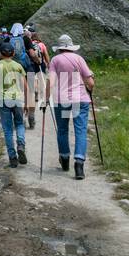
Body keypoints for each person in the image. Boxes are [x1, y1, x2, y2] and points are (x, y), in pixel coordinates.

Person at [47, 35, 95, 180]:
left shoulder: (55, 60)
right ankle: (79, 164)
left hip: (61, 100)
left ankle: (65, 159)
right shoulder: (79, 59)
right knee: (80, 131)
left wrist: (45, 99)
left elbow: (51, 82)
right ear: (71, 46)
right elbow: (90, 82)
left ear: (59, 47)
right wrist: (90, 90)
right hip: (80, 99)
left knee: (62, 130)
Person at [0, 40, 29, 168]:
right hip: (17, 99)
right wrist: (27, 103)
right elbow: (26, 87)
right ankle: (21, 145)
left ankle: (12, 157)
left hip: (4, 100)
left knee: (7, 129)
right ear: (13, 53)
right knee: (19, 124)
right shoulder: (18, 66)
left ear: (0, 54)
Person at [23, 25, 48, 129]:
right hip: (32, 68)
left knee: (22, 93)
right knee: (31, 93)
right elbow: (38, 55)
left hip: (18, 70)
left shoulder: (17, 42)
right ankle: (31, 116)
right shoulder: (38, 44)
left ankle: (20, 118)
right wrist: (40, 61)